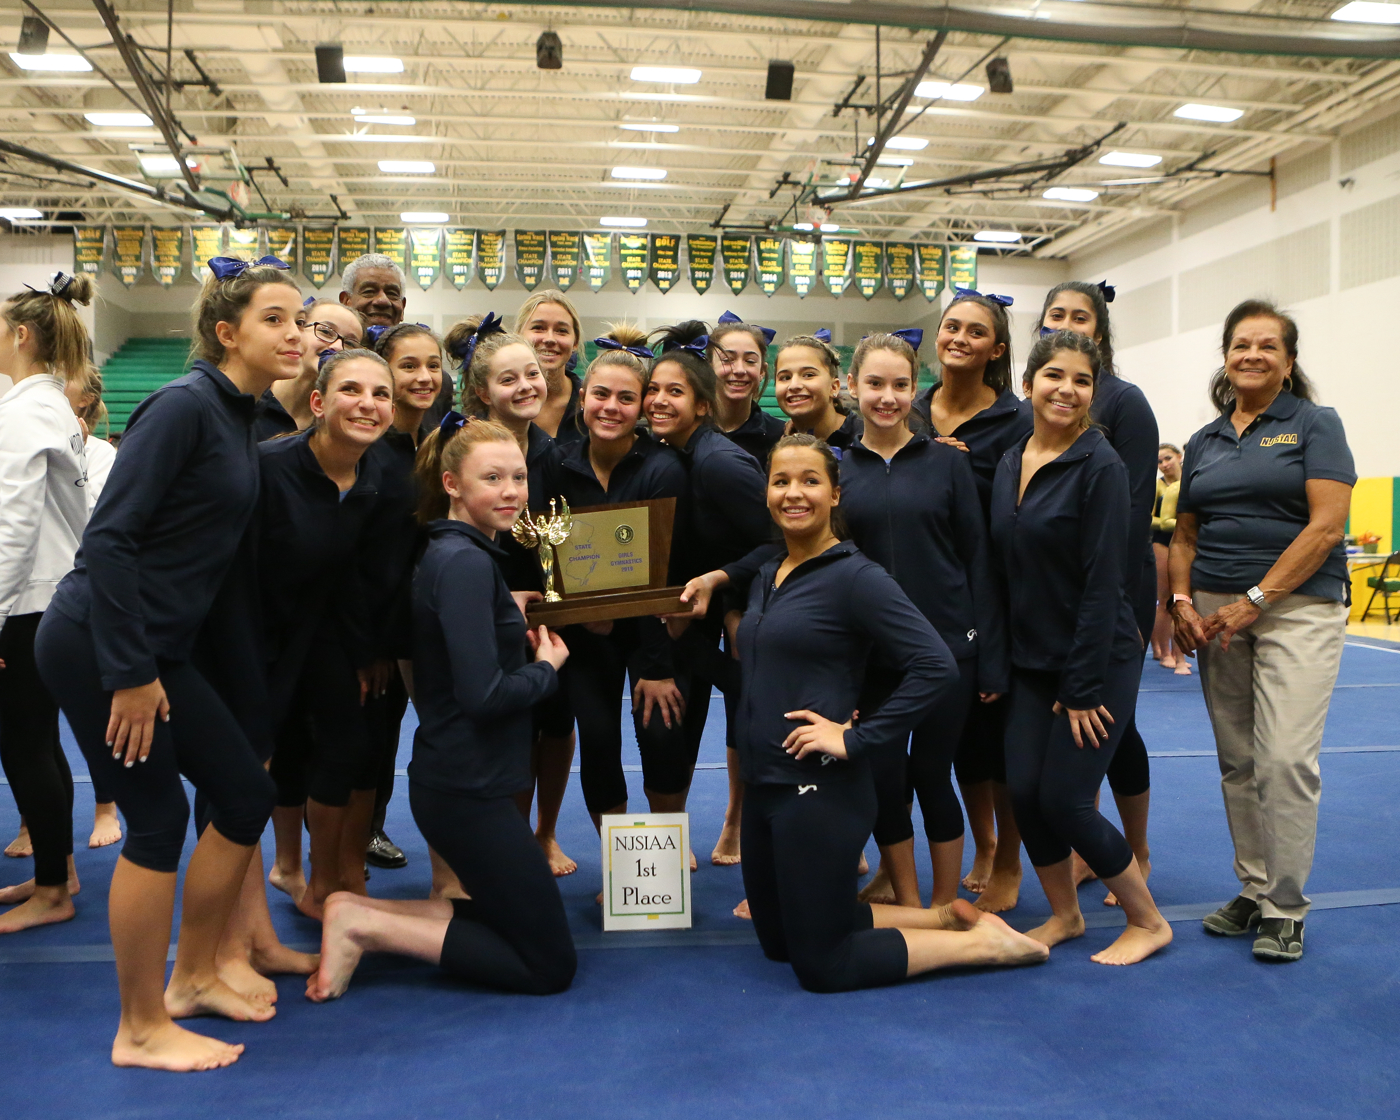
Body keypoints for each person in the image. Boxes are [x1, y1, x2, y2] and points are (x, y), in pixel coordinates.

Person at [35, 256, 302, 1070]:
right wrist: (129, 671)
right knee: (153, 821)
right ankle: (139, 1027)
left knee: (246, 791)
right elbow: (109, 538)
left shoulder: (242, 416)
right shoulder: (185, 406)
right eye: (276, 320)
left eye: (301, 319)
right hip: (102, 643)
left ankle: (191, 976)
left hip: (158, 646)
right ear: (228, 333)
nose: (296, 334)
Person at [726, 433, 1047, 991]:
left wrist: (856, 739)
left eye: (809, 481)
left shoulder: (856, 577)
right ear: (766, 492)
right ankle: (940, 917)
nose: (793, 493)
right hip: (764, 786)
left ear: (835, 495)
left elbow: (936, 666)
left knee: (821, 967)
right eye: (781, 481)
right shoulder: (767, 574)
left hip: (818, 792)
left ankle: (978, 945)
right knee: (778, 943)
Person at [306, 418, 575, 1001]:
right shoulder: (465, 563)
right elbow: (484, 697)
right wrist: (545, 670)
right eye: (492, 478)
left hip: (462, 778)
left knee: (513, 922)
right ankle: (363, 925)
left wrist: (504, 610)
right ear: (451, 484)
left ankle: (352, 908)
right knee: (548, 966)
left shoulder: (462, 554)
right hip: (465, 788)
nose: (510, 491)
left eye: (519, 477)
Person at [1170, 299, 1354, 964]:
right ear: (1225, 358)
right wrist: (1181, 597)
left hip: (1297, 607)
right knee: (1238, 760)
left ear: (1289, 362)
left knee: (1284, 760)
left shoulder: (1314, 424)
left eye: (1267, 346)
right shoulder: (1205, 441)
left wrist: (1256, 597)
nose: (1252, 354)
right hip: (1217, 613)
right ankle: (1252, 889)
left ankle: (1286, 905)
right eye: (1240, 344)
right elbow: (1186, 531)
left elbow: (1327, 526)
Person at [990, 330, 1171, 966]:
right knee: (1024, 791)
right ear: (1028, 384)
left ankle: (1148, 921)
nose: (1067, 389)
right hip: (1030, 660)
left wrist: (1081, 686)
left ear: (1093, 392)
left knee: (1066, 800)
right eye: (1054, 376)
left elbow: (1105, 583)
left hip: (1096, 659)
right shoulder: (1014, 459)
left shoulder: (1102, 465)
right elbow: (1004, 570)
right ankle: (1065, 916)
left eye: (1082, 380)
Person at [837, 331, 1006, 911]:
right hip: (873, 659)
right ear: (851, 386)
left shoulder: (947, 464)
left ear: (916, 390)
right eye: (875, 384)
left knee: (935, 774)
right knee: (884, 775)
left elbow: (978, 560)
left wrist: (989, 654)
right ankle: (907, 899)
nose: (887, 397)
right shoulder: (838, 472)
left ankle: (943, 903)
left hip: (947, 653)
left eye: (900, 385)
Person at [537, 339, 692, 850]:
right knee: (599, 741)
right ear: (582, 398)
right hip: (585, 634)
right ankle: (620, 860)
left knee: (662, 732)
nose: (611, 407)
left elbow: (662, 569)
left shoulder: (662, 468)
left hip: (652, 630)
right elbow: (547, 558)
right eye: (601, 394)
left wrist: (655, 665)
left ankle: (665, 850)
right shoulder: (555, 468)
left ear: (642, 406)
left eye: (626, 398)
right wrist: (582, 616)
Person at [1036, 281, 1159, 907]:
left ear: (1101, 335)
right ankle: (1090, 844)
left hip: (1117, 584)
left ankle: (1132, 850)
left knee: (1115, 722)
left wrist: (1127, 605)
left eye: (1080, 317)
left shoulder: (1123, 402)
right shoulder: (1037, 401)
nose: (1068, 324)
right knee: (1071, 731)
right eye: (1056, 315)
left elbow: (1133, 514)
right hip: (1055, 592)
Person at [261, 350, 396, 919]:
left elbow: (354, 573)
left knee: (344, 746)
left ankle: (324, 881)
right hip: (261, 634)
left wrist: (368, 650)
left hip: (329, 632)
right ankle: (277, 871)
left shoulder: (381, 475)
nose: (368, 403)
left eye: (381, 394)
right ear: (317, 402)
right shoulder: (267, 467)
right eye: (352, 390)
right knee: (277, 749)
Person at [911, 289, 1030, 913]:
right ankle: (981, 843)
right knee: (956, 745)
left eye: (975, 331)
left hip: (994, 597)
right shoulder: (909, 411)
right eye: (951, 326)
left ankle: (1008, 859)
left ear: (997, 349)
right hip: (926, 597)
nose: (959, 337)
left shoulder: (1018, 420)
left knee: (997, 740)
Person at [451, 312, 578, 877]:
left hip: (548, 613)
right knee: (501, 727)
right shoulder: (455, 448)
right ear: (482, 392)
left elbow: (565, 539)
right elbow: (450, 538)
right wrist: (505, 596)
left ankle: (544, 833)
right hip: (487, 608)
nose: (527, 385)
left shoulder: (553, 455)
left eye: (533, 373)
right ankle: (504, 833)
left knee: (555, 721)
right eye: (509, 379)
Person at [645, 322, 772, 864]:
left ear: (702, 406)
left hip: (749, 616)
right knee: (677, 721)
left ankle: (767, 841)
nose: (657, 400)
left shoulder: (718, 462)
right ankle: (668, 843)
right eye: (653, 389)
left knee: (756, 723)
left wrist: (726, 587)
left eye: (675, 392)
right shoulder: (677, 454)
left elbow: (786, 541)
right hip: (693, 618)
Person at [0, 272, 94, 934]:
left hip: (29, 602)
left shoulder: (26, 410)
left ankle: (56, 887)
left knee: (25, 742)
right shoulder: (48, 405)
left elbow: (14, 522)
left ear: (21, 334)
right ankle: (55, 871)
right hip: (50, 597)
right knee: (36, 740)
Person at [359, 323, 445, 876]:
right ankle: (342, 854)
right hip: (375, 629)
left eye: (433, 364)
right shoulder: (370, 449)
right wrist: (371, 643)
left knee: (397, 737)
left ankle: (367, 833)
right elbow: (362, 560)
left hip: (420, 623)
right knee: (366, 741)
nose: (423, 376)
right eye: (408, 365)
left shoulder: (435, 440)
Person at [341, 253, 452, 426]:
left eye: (392, 293)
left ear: (403, 307)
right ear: (345, 301)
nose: (382, 301)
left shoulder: (436, 383)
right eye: (369, 291)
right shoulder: (328, 368)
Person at [254, 300, 365, 439]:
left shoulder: (336, 424)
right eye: (325, 331)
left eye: (349, 343)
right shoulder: (249, 399)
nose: (337, 347)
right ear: (298, 329)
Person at [708, 310, 785, 465]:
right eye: (728, 359)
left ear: (762, 371)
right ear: (708, 367)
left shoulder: (780, 437)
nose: (739, 370)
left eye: (750, 361)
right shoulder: (687, 431)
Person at [772, 333, 861, 453]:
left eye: (808, 375)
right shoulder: (772, 441)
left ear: (834, 387)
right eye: (785, 377)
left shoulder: (864, 440)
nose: (794, 385)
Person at [514, 290, 583, 442]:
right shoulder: (502, 404)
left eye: (561, 331)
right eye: (539, 327)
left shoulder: (591, 405)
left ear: (575, 342)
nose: (550, 339)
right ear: (519, 336)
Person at [1152, 444, 1190, 674]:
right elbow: (1155, 520)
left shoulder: (1189, 483)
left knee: (1183, 599)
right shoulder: (1157, 488)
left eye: (1168, 458)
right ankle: (1165, 652)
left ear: (1179, 457)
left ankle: (1178, 654)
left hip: (1187, 542)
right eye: (1160, 461)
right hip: (1163, 542)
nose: (1165, 464)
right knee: (1166, 600)